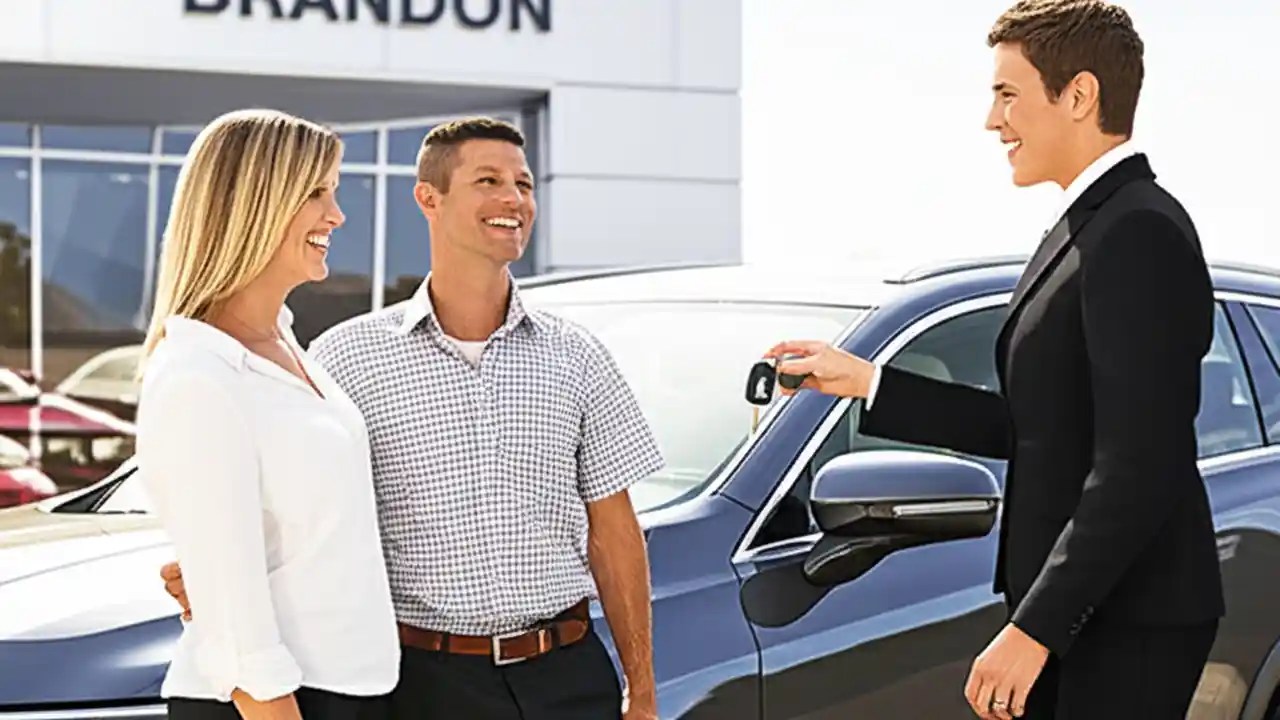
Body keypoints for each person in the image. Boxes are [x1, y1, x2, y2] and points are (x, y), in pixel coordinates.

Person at [766, 1, 1221, 718]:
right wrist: (865, 382)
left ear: (1079, 95)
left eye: (1007, 93)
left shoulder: (1137, 232)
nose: (992, 120)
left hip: (1123, 622)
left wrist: (1038, 627)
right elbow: (1041, 426)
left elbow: (1141, 463)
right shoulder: (1091, 224)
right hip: (1093, 615)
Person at [161, 116, 664, 720]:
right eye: (488, 180)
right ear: (429, 197)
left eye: (524, 184)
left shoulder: (578, 355)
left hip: (568, 674)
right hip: (417, 683)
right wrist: (218, 579)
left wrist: (642, 689)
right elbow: (285, 501)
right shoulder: (340, 359)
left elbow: (615, 530)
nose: (513, 199)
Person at [136, 109, 401, 720]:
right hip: (273, 705)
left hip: (349, 693)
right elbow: (234, 622)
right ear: (252, 204)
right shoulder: (199, 377)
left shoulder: (287, 348)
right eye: (315, 193)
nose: (335, 215)